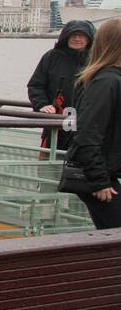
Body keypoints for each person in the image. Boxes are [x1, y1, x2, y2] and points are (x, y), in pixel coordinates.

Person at [67, 17, 121, 230]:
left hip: (106, 174)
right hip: (100, 179)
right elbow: (87, 133)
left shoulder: (110, 79)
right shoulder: (106, 81)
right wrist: (100, 181)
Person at [28, 20, 95, 151]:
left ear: (89, 38)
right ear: (66, 37)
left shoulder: (96, 59)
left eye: (81, 35)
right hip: (56, 122)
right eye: (73, 35)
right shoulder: (51, 57)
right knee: (51, 164)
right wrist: (42, 104)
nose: (77, 38)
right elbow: (35, 85)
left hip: (87, 123)